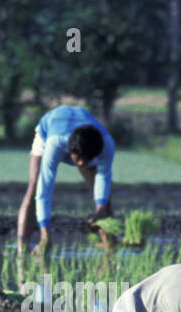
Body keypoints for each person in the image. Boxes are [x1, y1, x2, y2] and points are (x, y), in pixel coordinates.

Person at [17, 105, 115, 256]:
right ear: (71, 152)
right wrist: (45, 235)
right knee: (34, 187)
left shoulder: (106, 145)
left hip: (84, 140)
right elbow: (44, 191)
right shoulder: (54, 144)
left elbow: (103, 178)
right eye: (78, 159)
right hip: (50, 131)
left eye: (87, 160)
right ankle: (21, 248)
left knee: (102, 198)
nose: (81, 164)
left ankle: (110, 245)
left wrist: (100, 210)